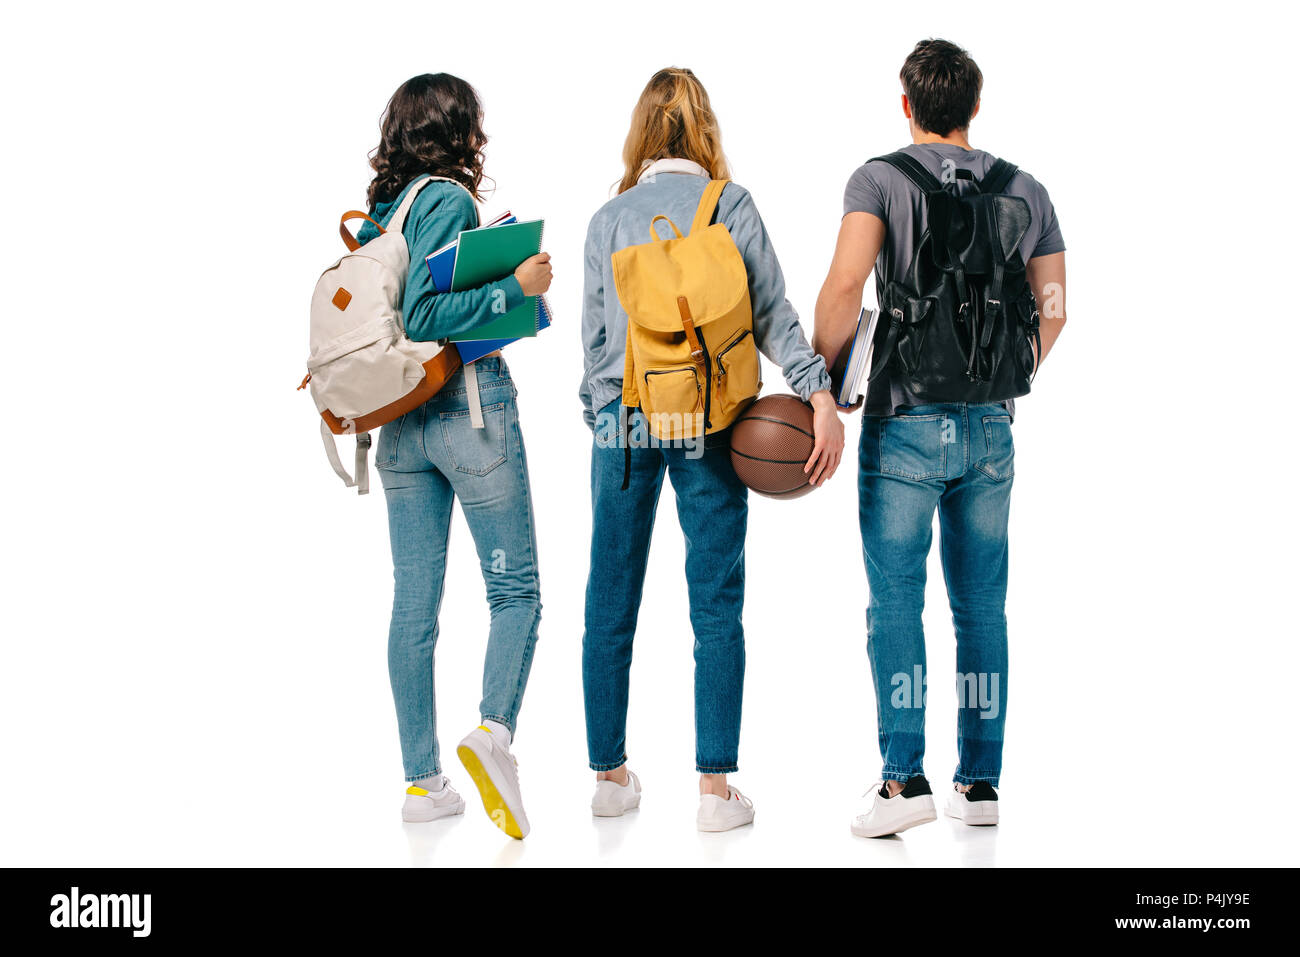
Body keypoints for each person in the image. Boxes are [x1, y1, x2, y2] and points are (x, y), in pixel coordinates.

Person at [812, 39, 1067, 837]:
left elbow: (849, 285)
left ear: (907, 104)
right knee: (981, 607)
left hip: (904, 423)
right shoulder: (1026, 188)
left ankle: (903, 782)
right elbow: (1054, 305)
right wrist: (1006, 373)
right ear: (975, 108)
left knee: (896, 602)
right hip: (992, 427)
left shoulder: (880, 179)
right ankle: (980, 786)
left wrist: (826, 383)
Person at [579, 67, 844, 832]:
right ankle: (715, 791)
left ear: (640, 135)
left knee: (610, 600)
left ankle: (608, 776)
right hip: (713, 423)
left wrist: (606, 422)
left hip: (626, 425)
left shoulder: (608, 220)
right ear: (705, 132)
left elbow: (596, 344)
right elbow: (773, 314)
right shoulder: (731, 204)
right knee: (716, 603)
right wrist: (818, 395)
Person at [356, 73, 551, 839]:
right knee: (517, 591)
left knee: (414, 604)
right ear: (459, 130)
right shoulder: (451, 200)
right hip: (468, 416)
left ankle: (422, 783)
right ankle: (493, 732)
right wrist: (517, 285)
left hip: (400, 428)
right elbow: (427, 313)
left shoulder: (382, 217)